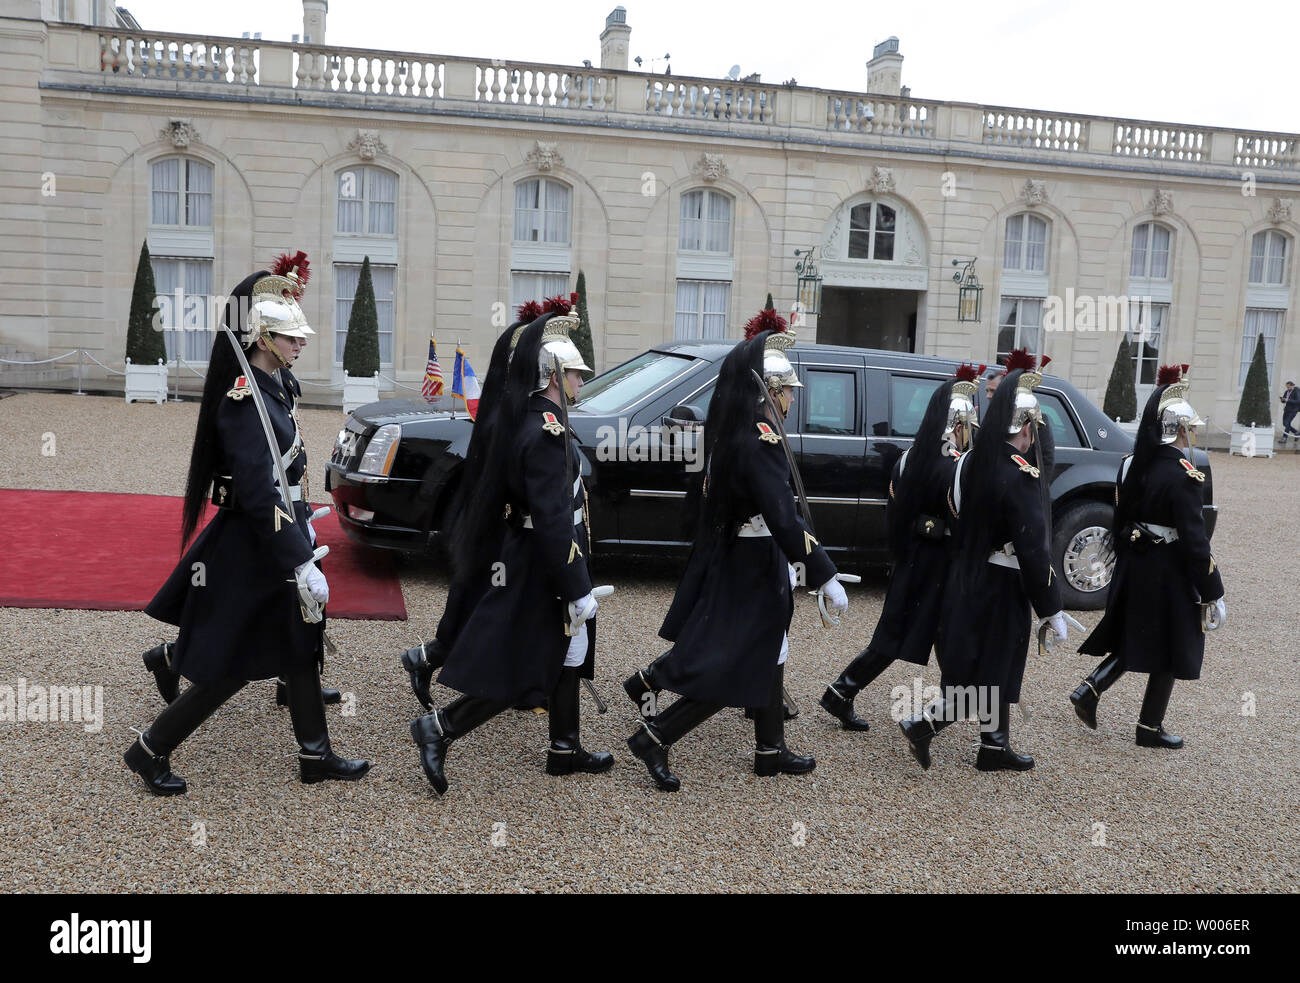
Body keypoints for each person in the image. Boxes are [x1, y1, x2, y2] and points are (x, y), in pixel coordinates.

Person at [124, 255, 370, 795]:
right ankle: (149, 749)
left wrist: (303, 519)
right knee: (234, 664)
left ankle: (314, 753)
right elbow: (259, 493)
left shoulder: (273, 385)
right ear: (262, 337)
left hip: (275, 538)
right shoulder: (244, 396)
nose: (300, 344)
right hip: (253, 546)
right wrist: (297, 557)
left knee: (299, 646)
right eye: (290, 337)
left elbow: (282, 476)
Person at [624, 321, 848, 792]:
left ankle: (769, 748)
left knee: (769, 651)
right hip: (753, 563)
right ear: (770, 391)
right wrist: (822, 573)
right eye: (787, 391)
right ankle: (656, 734)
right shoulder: (761, 439)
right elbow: (783, 517)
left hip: (747, 554)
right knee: (739, 663)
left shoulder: (739, 431)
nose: (792, 400)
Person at [409, 312, 613, 795]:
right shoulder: (546, 431)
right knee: (528, 663)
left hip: (540, 554)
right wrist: (576, 584)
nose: (583, 379)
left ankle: (564, 747)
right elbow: (551, 516)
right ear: (554, 376)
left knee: (569, 652)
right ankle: (440, 728)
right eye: (576, 372)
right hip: (540, 562)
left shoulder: (536, 417)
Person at [900, 349, 1066, 772]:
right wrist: (1050, 605)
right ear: (1027, 426)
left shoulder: (971, 462)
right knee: (996, 665)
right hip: (1003, 582)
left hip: (968, 574)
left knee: (989, 665)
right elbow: (1031, 545)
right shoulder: (1019, 472)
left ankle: (994, 745)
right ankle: (926, 724)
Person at [399, 297, 552, 709]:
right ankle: (434, 660)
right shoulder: (509, 407)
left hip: (496, 518)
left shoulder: (510, 403)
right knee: (487, 604)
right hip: (496, 521)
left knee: (487, 601)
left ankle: (514, 683)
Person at [818, 365, 981, 730]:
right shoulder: (955, 465)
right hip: (941, 561)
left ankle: (842, 692)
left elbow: (896, 512)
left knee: (897, 631)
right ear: (960, 425)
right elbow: (962, 520)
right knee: (946, 636)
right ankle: (948, 718)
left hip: (912, 555)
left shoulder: (911, 456)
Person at [1071, 365, 1225, 747]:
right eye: (1189, 428)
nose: (1192, 435)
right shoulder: (1184, 476)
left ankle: (1092, 688)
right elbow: (1194, 541)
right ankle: (1149, 727)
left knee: (1140, 633)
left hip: (1136, 562)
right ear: (1177, 430)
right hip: (1169, 569)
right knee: (1173, 642)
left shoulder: (1130, 465)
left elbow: (1120, 519)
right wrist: (1213, 589)